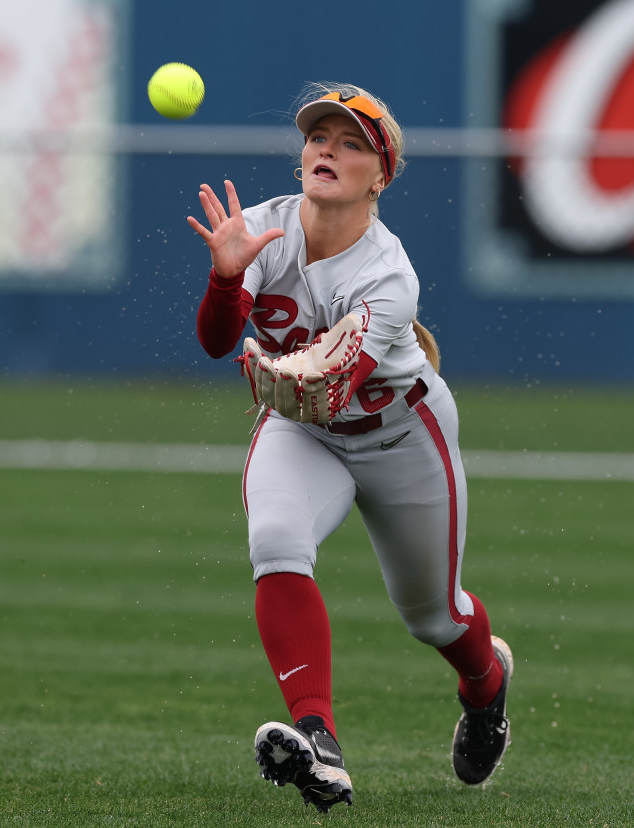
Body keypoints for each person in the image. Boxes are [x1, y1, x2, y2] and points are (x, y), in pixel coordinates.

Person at [188, 82, 513, 813]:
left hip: (400, 433)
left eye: (351, 142)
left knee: (434, 617)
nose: (326, 150)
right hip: (305, 432)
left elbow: (334, 383)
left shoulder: (388, 275)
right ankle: (319, 741)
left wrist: (275, 365)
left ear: (381, 175)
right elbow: (216, 344)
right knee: (275, 539)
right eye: (318, 136)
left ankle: (487, 688)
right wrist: (227, 274)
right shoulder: (264, 229)